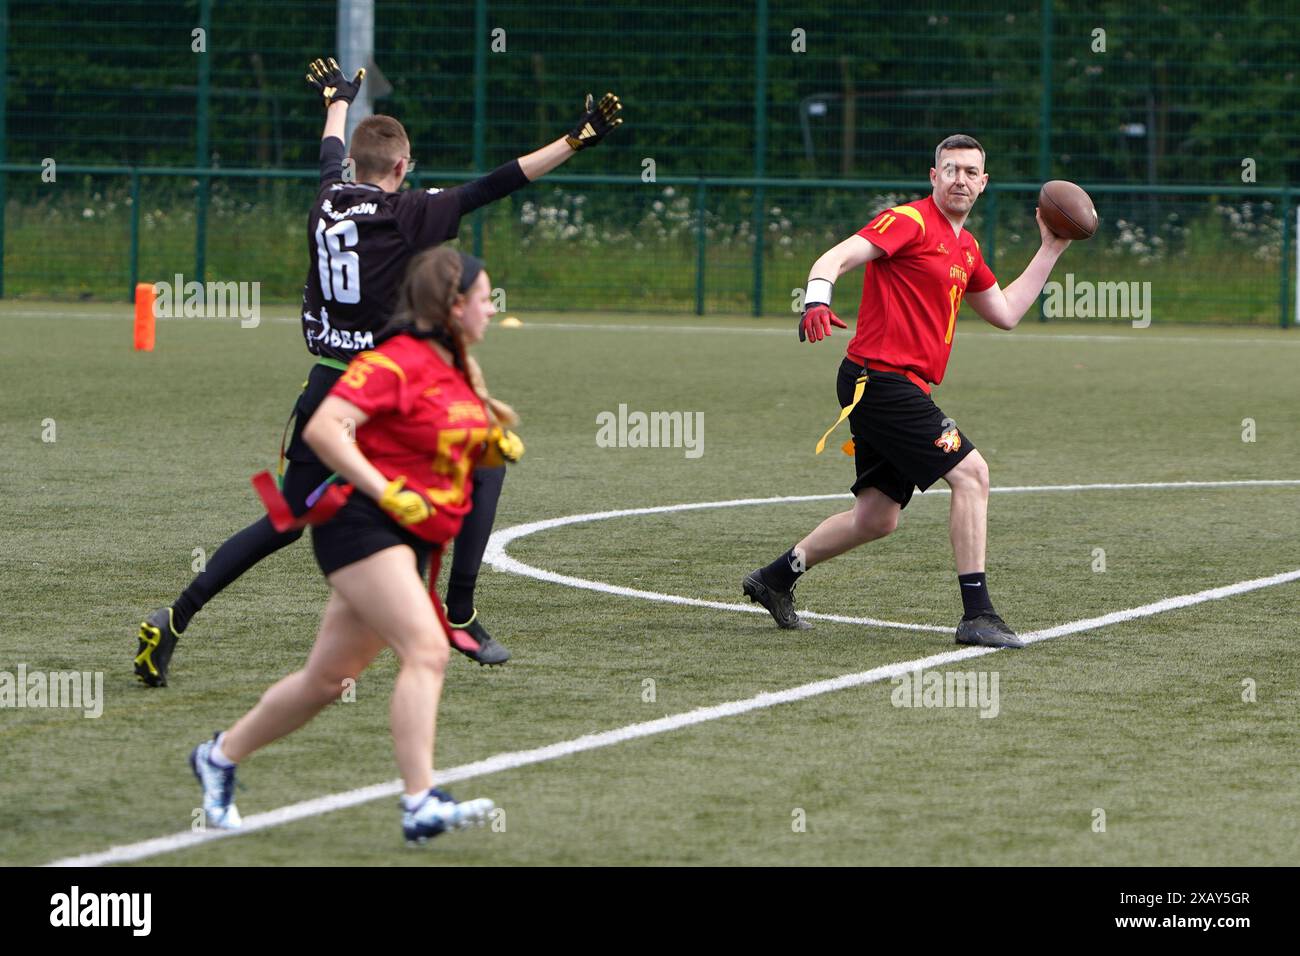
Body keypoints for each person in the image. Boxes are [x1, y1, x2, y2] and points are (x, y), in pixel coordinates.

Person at [135, 58, 622, 684]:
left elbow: (329, 152)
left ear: (354, 166)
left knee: (285, 518)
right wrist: (573, 142)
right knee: (486, 462)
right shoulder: (405, 214)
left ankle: (176, 615)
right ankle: (460, 611)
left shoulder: (326, 200)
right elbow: (495, 184)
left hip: (326, 387)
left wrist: (337, 101)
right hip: (385, 391)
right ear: (400, 166)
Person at [192, 246, 516, 842]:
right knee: (427, 649)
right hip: (361, 525)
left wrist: (489, 443)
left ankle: (219, 756)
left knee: (326, 681)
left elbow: (447, 432)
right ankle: (419, 801)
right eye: (483, 298)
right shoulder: (393, 360)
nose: (491, 309)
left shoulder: (458, 364)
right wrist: (385, 489)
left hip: (408, 536)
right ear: (453, 305)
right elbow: (324, 428)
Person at [743, 134, 1072, 649]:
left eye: (970, 172)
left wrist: (1050, 248)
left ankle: (775, 579)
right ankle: (978, 615)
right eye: (951, 169)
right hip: (878, 380)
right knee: (973, 473)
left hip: (899, 385)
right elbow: (836, 257)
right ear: (934, 176)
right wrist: (816, 301)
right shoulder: (909, 221)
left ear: (984, 183)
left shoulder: (967, 248)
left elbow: (1006, 313)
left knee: (876, 519)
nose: (960, 179)